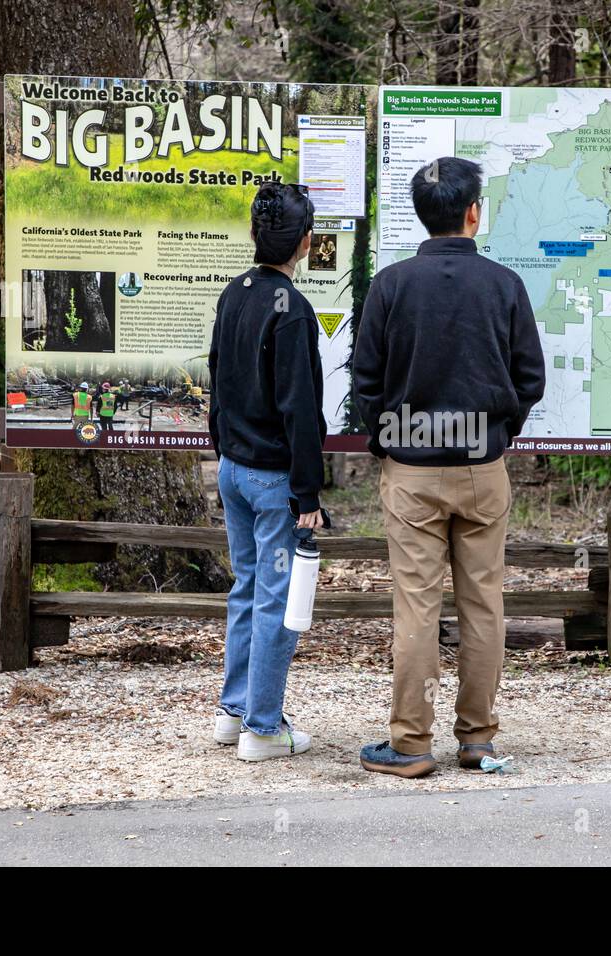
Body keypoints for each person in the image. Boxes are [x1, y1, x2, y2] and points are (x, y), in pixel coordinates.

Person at [352, 157, 546, 778]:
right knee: (483, 605)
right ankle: (478, 740)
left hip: (411, 468)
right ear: (472, 213)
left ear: (421, 214)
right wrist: (498, 432)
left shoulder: (391, 285)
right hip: (482, 466)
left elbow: (366, 383)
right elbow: (530, 379)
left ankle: (411, 743)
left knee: (416, 606)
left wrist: (389, 441)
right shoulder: (504, 284)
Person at [208, 181, 326, 762]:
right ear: (305, 242)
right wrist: (309, 492)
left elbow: (216, 377)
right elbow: (300, 409)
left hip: (233, 468)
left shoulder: (234, 293)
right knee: (275, 601)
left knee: (247, 588)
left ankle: (234, 712)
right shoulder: (293, 311)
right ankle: (262, 728)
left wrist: (222, 450)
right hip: (274, 477)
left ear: (255, 233)